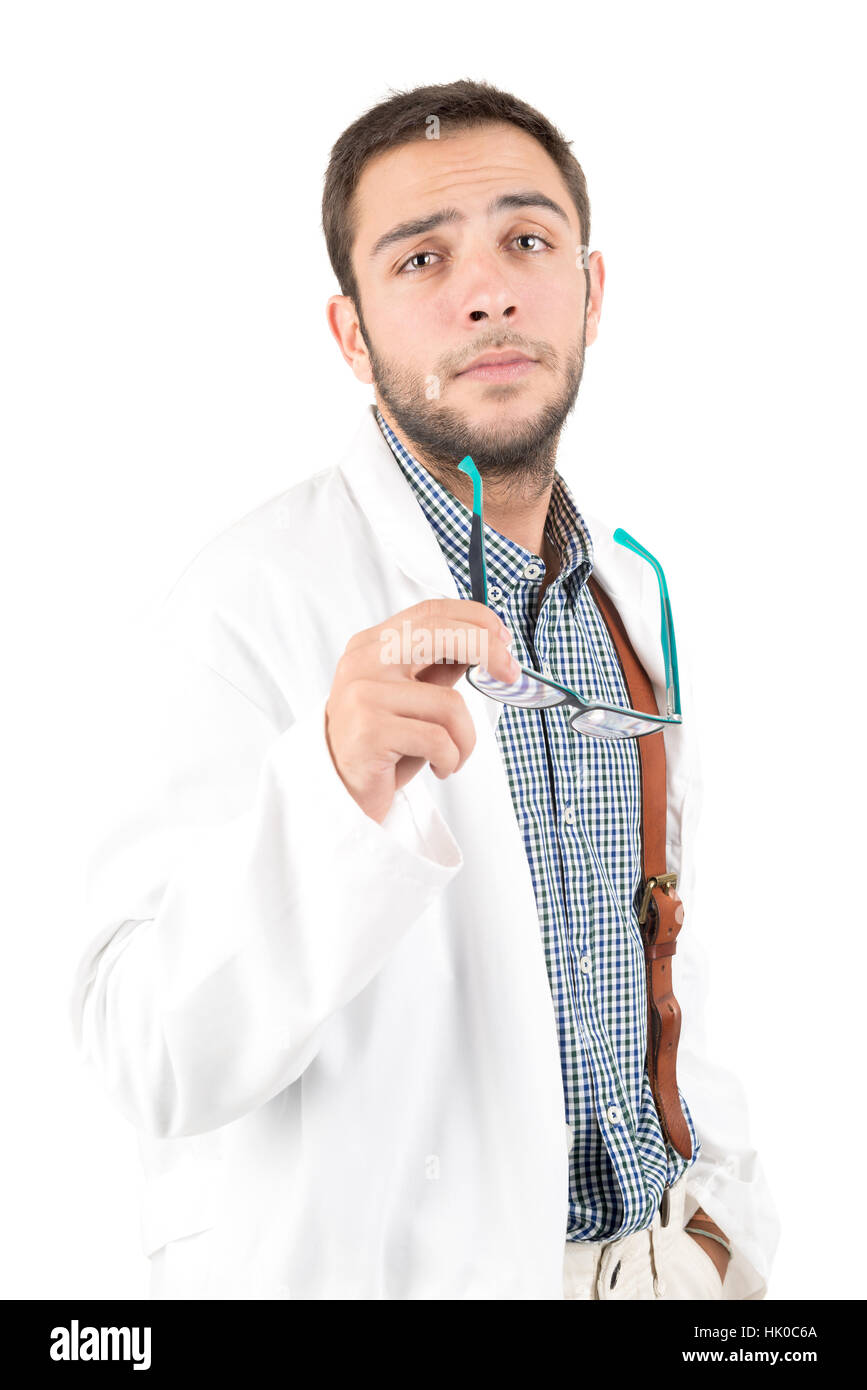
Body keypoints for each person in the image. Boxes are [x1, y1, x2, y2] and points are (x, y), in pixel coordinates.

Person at [70, 78, 779, 1300]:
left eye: (527, 239)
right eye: (419, 258)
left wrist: (720, 1233)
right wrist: (332, 797)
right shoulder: (244, 603)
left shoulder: (619, 602)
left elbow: (662, 961)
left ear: (591, 291)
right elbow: (148, 1054)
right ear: (351, 334)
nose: (489, 289)